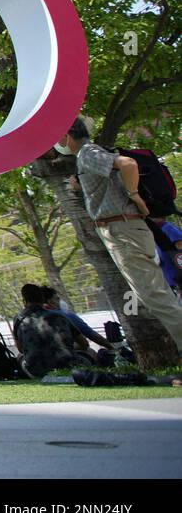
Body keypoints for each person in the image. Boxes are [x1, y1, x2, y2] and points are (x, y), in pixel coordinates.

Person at [58, 116, 182, 353]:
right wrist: (80, 186)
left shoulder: (87, 153)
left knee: (156, 296)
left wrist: (134, 195)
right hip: (128, 229)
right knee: (156, 294)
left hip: (122, 231)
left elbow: (128, 164)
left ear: (68, 136)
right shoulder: (91, 155)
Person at [13, 283, 90, 379]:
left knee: (20, 357)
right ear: (42, 299)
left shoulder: (19, 319)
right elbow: (84, 344)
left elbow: (21, 349)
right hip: (68, 366)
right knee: (89, 353)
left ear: (24, 301)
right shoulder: (60, 316)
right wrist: (64, 347)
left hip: (37, 370)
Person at [148, 216, 182, 296]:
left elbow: (179, 243)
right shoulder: (153, 231)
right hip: (167, 277)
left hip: (176, 275)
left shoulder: (167, 227)